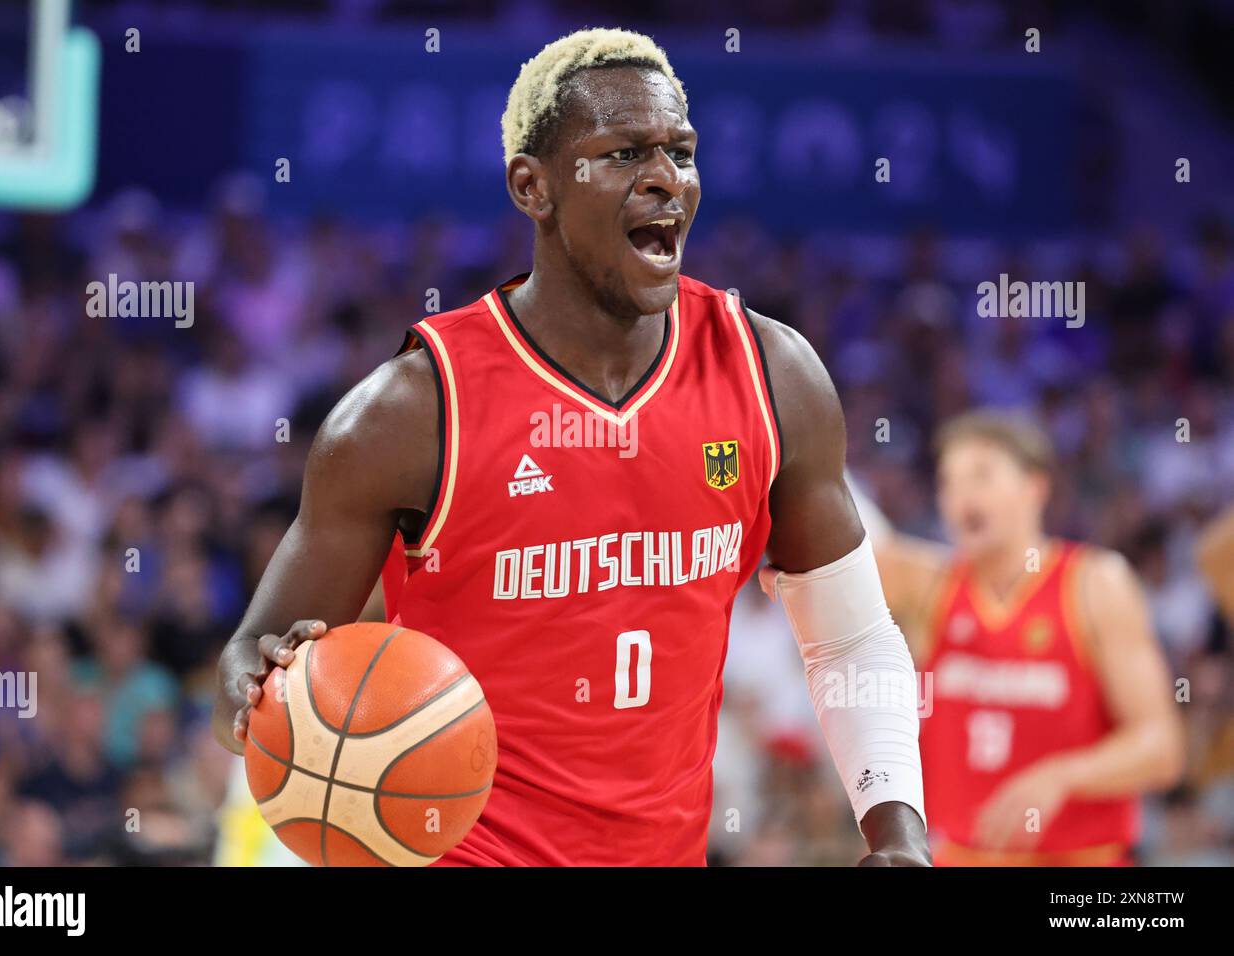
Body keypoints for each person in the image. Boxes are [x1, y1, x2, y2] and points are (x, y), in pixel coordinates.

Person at [213, 28, 928, 866]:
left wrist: (897, 831)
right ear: (534, 187)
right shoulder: (411, 411)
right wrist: (255, 689)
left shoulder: (773, 375)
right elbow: (249, 654)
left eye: (681, 152)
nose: (667, 177)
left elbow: (849, 638)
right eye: (625, 153)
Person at [865, 411, 1183, 865]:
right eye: (948, 482)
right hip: (958, 855)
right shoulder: (928, 584)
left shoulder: (1094, 583)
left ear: (1035, 487)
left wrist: (1063, 775)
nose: (961, 496)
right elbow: (832, 544)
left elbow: (1162, 748)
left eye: (982, 476)